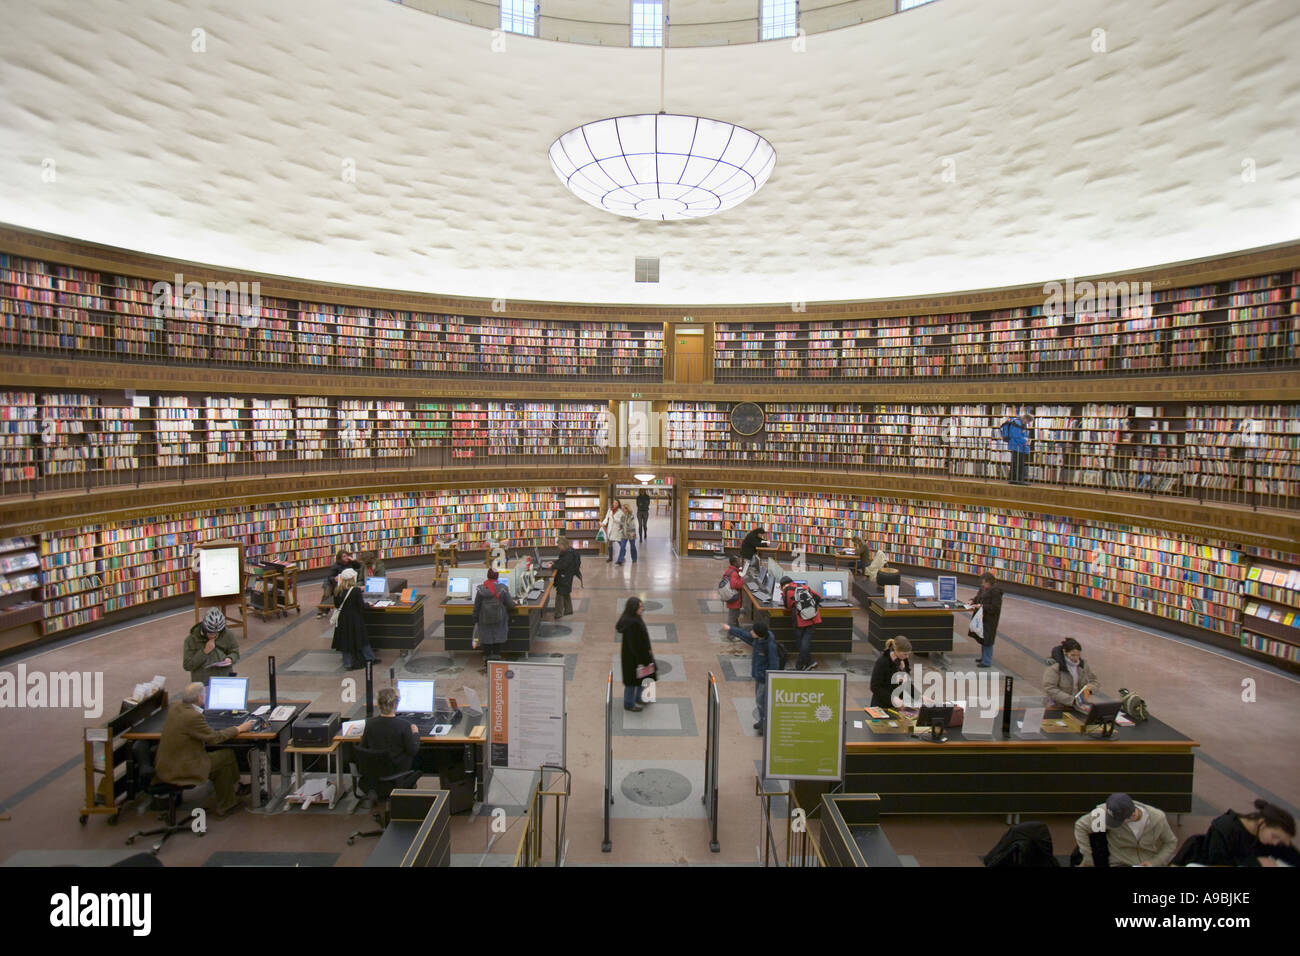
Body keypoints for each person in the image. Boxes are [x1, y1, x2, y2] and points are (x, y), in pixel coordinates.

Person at [153, 682, 253, 818]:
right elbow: (214, 738)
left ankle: (231, 797)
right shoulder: (193, 717)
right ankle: (232, 796)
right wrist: (239, 728)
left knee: (221, 765)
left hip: (167, 764)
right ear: (200, 698)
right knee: (227, 755)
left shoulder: (175, 707)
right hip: (183, 766)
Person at [1172, 799, 1300, 867]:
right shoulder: (1226, 828)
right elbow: (1218, 862)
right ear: (1262, 823)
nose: (1276, 843)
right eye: (1275, 837)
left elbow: (1292, 856)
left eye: (1281, 841)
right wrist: (1255, 862)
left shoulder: (1270, 839)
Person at [1072, 793, 1178, 867]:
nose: (1112, 823)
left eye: (1118, 820)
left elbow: (1170, 842)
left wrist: (1155, 862)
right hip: (1118, 862)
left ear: (1133, 814)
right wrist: (1088, 858)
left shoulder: (1157, 818)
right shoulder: (1104, 812)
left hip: (1147, 861)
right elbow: (1080, 826)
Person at [725, 615, 781, 732]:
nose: (751, 632)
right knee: (759, 699)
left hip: (764, 678)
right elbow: (744, 635)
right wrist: (730, 629)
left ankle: (764, 724)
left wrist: (770, 678)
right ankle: (763, 721)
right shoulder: (758, 640)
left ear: (759, 634)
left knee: (761, 701)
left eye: (753, 631)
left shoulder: (769, 646)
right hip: (759, 676)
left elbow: (774, 663)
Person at [360, 687, 420, 774]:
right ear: (395, 705)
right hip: (398, 771)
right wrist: (415, 734)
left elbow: (363, 748)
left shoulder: (370, 724)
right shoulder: (404, 725)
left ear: (379, 704)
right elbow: (413, 750)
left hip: (375, 772)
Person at [472, 567, 516, 672]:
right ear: (497, 577)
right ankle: (496, 664)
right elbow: (510, 605)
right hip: (499, 620)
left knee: (486, 640)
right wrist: (515, 603)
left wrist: (475, 620)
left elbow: (476, 607)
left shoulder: (481, 589)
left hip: (484, 620)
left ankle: (487, 664)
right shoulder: (503, 588)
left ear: (487, 576)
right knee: (497, 639)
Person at [616, 597, 656, 712]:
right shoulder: (632, 623)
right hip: (633, 658)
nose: (642, 608)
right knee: (632, 681)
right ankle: (629, 703)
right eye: (640, 606)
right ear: (634, 608)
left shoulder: (634, 618)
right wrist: (643, 659)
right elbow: (634, 645)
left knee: (641, 677)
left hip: (638, 656)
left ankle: (639, 697)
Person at [331, 567, 375, 670]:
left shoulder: (337, 590)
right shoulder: (355, 591)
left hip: (342, 619)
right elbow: (361, 606)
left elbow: (337, 605)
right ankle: (370, 658)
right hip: (355, 619)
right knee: (362, 638)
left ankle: (347, 663)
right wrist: (369, 604)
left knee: (345, 641)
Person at [183, 608, 240, 684]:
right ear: (204, 628)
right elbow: (188, 666)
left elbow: (235, 652)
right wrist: (204, 652)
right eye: (210, 633)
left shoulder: (228, 634)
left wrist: (230, 658)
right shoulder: (191, 640)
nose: (213, 636)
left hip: (224, 678)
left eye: (217, 633)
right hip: (203, 682)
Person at [1042, 638, 1100, 709]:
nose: (1075, 658)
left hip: (1077, 706)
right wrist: (1071, 700)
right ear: (1065, 652)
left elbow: (1094, 681)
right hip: (1056, 706)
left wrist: (1090, 689)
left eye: (1078, 655)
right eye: (1072, 655)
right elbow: (1050, 688)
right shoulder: (1055, 666)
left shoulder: (1083, 665)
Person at [780, 575, 822, 671]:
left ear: (782, 586)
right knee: (805, 642)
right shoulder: (804, 586)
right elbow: (818, 597)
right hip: (813, 618)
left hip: (800, 620)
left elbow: (788, 606)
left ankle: (799, 666)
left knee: (802, 643)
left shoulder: (787, 591)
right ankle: (810, 662)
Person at [968, 571, 1003, 668]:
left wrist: (982, 606)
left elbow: (995, 607)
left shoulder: (995, 592)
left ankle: (986, 661)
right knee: (983, 637)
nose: (982, 584)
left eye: (984, 583)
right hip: (982, 618)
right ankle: (983, 657)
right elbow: (978, 597)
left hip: (990, 619)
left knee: (988, 640)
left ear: (989, 582)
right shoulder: (983, 589)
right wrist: (972, 600)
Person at [870, 636, 912, 709]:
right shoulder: (883, 661)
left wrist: (920, 696)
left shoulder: (903, 659)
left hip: (898, 706)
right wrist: (893, 699)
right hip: (881, 706)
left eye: (908, 654)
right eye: (905, 654)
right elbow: (875, 687)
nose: (907, 657)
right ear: (896, 650)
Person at [319, 547, 361, 615]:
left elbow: (359, 566)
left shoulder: (350, 563)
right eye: (344, 556)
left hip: (343, 582)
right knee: (327, 594)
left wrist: (353, 560)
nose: (346, 557)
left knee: (344, 592)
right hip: (331, 582)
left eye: (347, 555)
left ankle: (340, 608)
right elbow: (329, 577)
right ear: (340, 558)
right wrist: (334, 578)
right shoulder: (335, 565)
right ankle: (321, 610)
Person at [552, 536, 582, 619]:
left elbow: (562, 565)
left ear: (563, 545)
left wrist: (553, 566)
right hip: (568, 576)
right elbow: (561, 562)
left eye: (559, 545)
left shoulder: (568, 554)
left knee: (560, 593)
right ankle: (569, 610)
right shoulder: (569, 551)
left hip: (565, 576)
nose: (558, 547)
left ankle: (558, 613)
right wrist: (554, 563)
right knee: (566, 591)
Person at [999, 412, 1032, 485]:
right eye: (1028, 421)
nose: (1028, 423)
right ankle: (1018, 480)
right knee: (1018, 463)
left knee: (1016, 463)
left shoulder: (1019, 423)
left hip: (1018, 446)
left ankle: (1014, 479)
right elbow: (1016, 436)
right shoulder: (1017, 423)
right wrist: (1025, 441)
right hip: (1017, 446)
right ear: (1025, 418)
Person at [719, 554, 746, 631]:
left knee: (735, 615)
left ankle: (737, 630)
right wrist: (743, 579)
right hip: (734, 599)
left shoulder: (731, 571)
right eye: (738, 561)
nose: (740, 563)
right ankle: (730, 635)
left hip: (732, 598)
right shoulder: (734, 573)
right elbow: (735, 585)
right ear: (734, 563)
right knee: (732, 618)